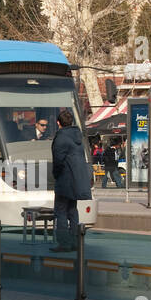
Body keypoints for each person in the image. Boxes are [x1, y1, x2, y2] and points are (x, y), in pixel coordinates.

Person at [50, 108, 93, 252]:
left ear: (58, 123)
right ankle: (75, 241)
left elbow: (58, 162)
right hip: (76, 180)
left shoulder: (61, 138)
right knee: (72, 210)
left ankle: (64, 243)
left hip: (65, 180)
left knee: (60, 211)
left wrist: (55, 175)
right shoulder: (77, 138)